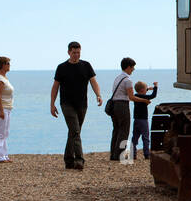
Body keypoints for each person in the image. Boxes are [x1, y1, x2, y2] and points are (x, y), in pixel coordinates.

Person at [50, 42, 101, 170]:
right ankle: (79, 160)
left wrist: (98, 95)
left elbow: (93, 82)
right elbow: (55, 87)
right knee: (76, 131)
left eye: (78, 52)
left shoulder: (86, 65)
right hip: (66, 104)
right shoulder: (62, 67)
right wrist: (52, 104)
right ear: (68, 52)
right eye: (74, 52)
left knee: (74, 132)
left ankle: (68, 160)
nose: (76, 55)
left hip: (82, 104)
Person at [108, 57, 152, 161]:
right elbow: (131, 97)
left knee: (116, 129)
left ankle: (113, 154)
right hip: (122, 105)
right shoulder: (127, 80)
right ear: (128, 67)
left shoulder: (118, 78)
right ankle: (119, 154)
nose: (133, 69)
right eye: (133, 67)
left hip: (114, 105)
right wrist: (144, 101)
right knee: (124, 130)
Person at [131, 80, 158, 159]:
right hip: (143, 120)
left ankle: (133, 154)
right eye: (145, 89)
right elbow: (153, 96)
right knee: (145, 137)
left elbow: (142, 91)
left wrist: (147, 89)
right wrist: (155, 87)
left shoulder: (136, 95)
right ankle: (146, 154)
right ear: (142, 90)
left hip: (136, 120)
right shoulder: (143, 97)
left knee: (135, 138)